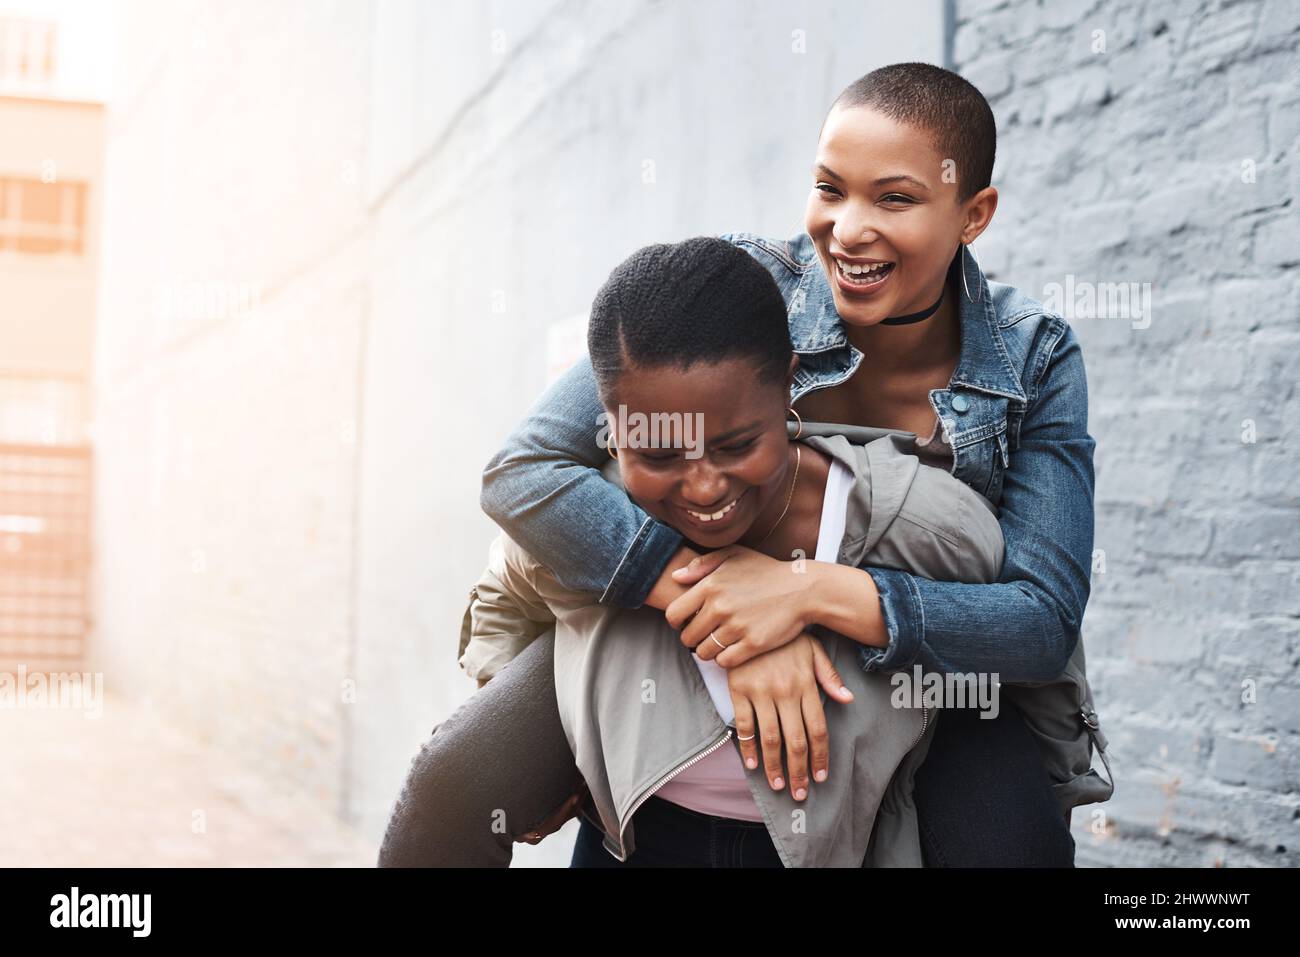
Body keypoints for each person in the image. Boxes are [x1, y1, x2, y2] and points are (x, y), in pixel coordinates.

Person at [379, 62, 1111, 868]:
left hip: (926, 666)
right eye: (830, 189)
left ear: (974, 215)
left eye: (893, 198)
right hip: (678, 618)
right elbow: (526, 469)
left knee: (1012, 846)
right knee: (452, 780)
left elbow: (1041, 620)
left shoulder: (1033, 356)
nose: (849, 228)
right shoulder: (747, 288)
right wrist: (723, 610)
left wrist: (806, 595)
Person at [455, 236, 1011, 867]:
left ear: (789, 390)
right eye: (660, 456)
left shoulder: (922, 523)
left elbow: (1029, 645)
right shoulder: (587, 518)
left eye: (738, 445)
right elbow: (503, 591)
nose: (705, 486)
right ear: (611, 434)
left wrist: (823, 602)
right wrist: (561, 744)